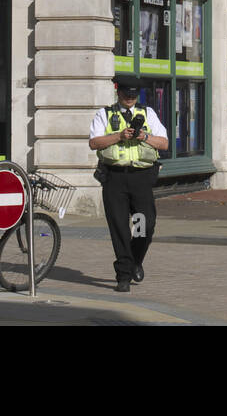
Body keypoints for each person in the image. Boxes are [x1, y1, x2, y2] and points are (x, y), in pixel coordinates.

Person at [88, 73, 170, 292]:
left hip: (141, 179)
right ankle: (123, 275)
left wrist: (143, 137)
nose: (130, 99)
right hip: (114, 178)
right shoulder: (104, 114)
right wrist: (119, 136)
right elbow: (94, 143)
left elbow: (163, 143)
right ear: (118, 92)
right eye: (126, 94)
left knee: (145, 225)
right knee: (119, 228)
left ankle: (135, 259)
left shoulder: (148, 114)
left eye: (133, 95)